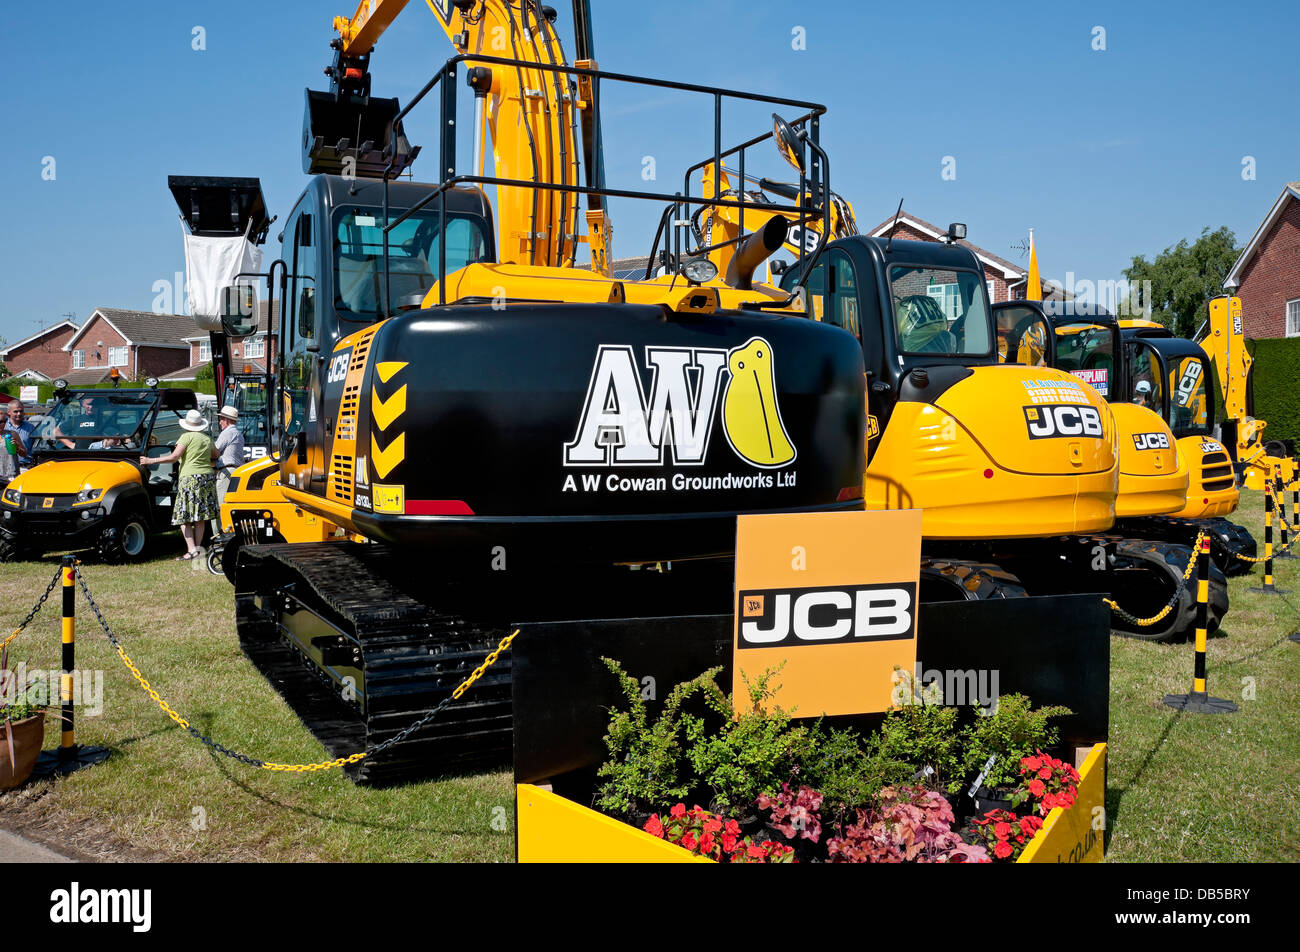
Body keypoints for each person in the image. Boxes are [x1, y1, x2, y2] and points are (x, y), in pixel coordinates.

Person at [141, 409, 218, 561]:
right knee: (200, 517)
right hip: (206, 478)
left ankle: (191, 550)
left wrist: (151, 461)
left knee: (183, 516)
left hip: (189, 479)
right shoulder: (206, 438)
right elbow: (216, 455)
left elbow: (174, 457)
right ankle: (198, 548)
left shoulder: (186, 437)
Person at [211, 405, 245, 505]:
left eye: (221, 419)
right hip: (235, 470)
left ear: (227, 420)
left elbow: (214, 451)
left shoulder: (227, 433)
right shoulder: (238, 433)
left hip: (226, 471)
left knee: (222, 504)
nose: (220, 422)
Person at [3, 401, 36, 477]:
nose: (19, 414)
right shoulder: (3, 427)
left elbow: (35, 449)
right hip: (6, 468)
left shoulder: (31, 428)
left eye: (21, 411)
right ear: (9, 412)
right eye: (15, 411)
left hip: (25, 468)